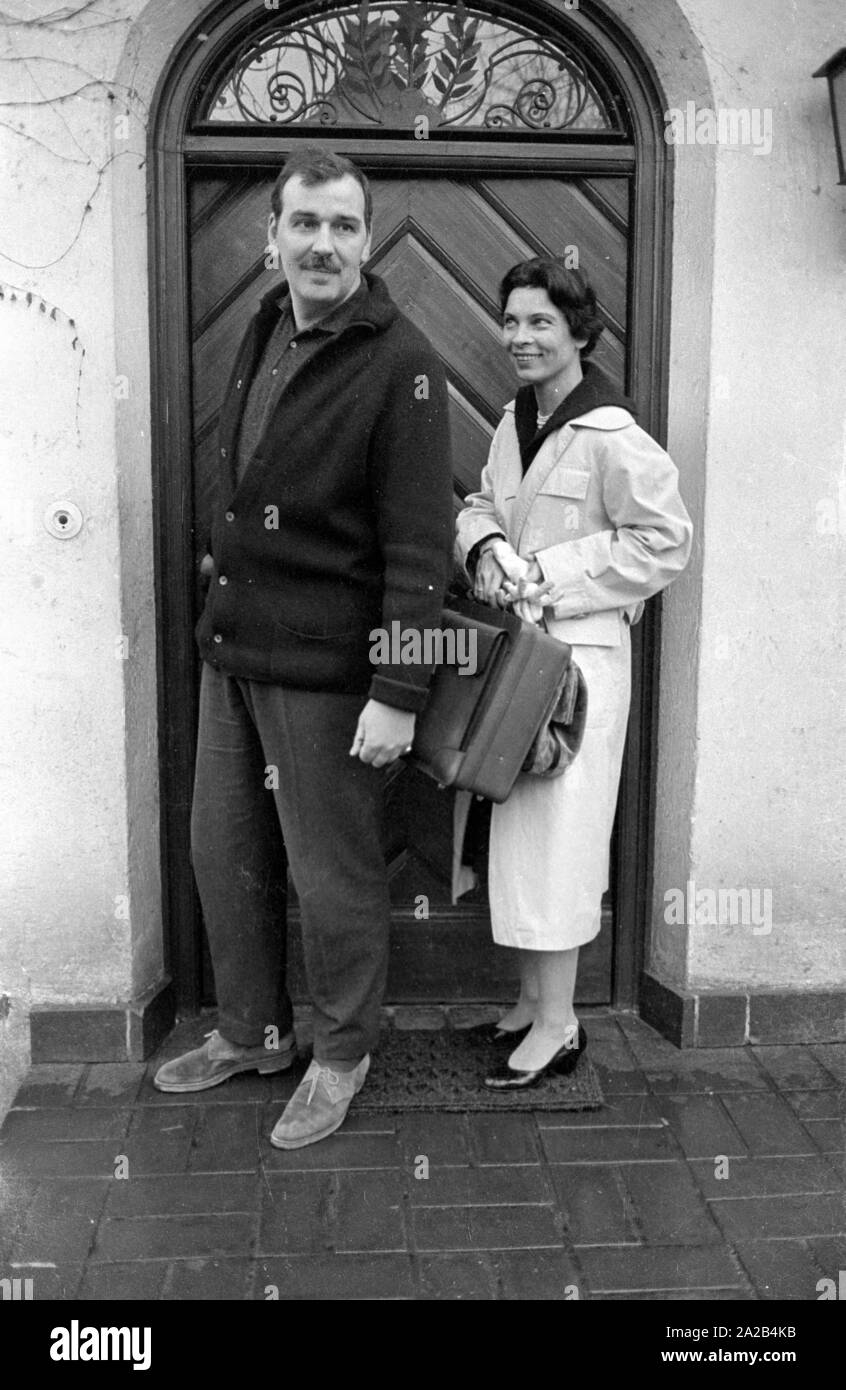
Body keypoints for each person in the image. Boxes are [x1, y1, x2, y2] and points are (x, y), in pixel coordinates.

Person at [154, 149, 453, 1145]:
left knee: (334, 878)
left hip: (331, 676)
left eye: (341, 225)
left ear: (367, 242)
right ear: (271, 237)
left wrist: (401, 689)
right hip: (234, 648)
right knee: (224, 851)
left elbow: (421, 549)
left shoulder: (401, 364)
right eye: (304, 223)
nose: (321, 242)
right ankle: (254, 1031)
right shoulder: (263, 324)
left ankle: (340, 1053)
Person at [455, 257, 692, 1088]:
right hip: (520, 659)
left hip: (580, 668)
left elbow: (666, 541)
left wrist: (550, 572)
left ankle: (560, 1024)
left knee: (559, 836)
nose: (520, 337)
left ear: (580, 334)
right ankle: (529, 1001)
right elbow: (481, 503)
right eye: (512, 320)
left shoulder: (614, 437)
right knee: (516, 832)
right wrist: (483, 546)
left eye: (540, 323)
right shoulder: (512, 423)